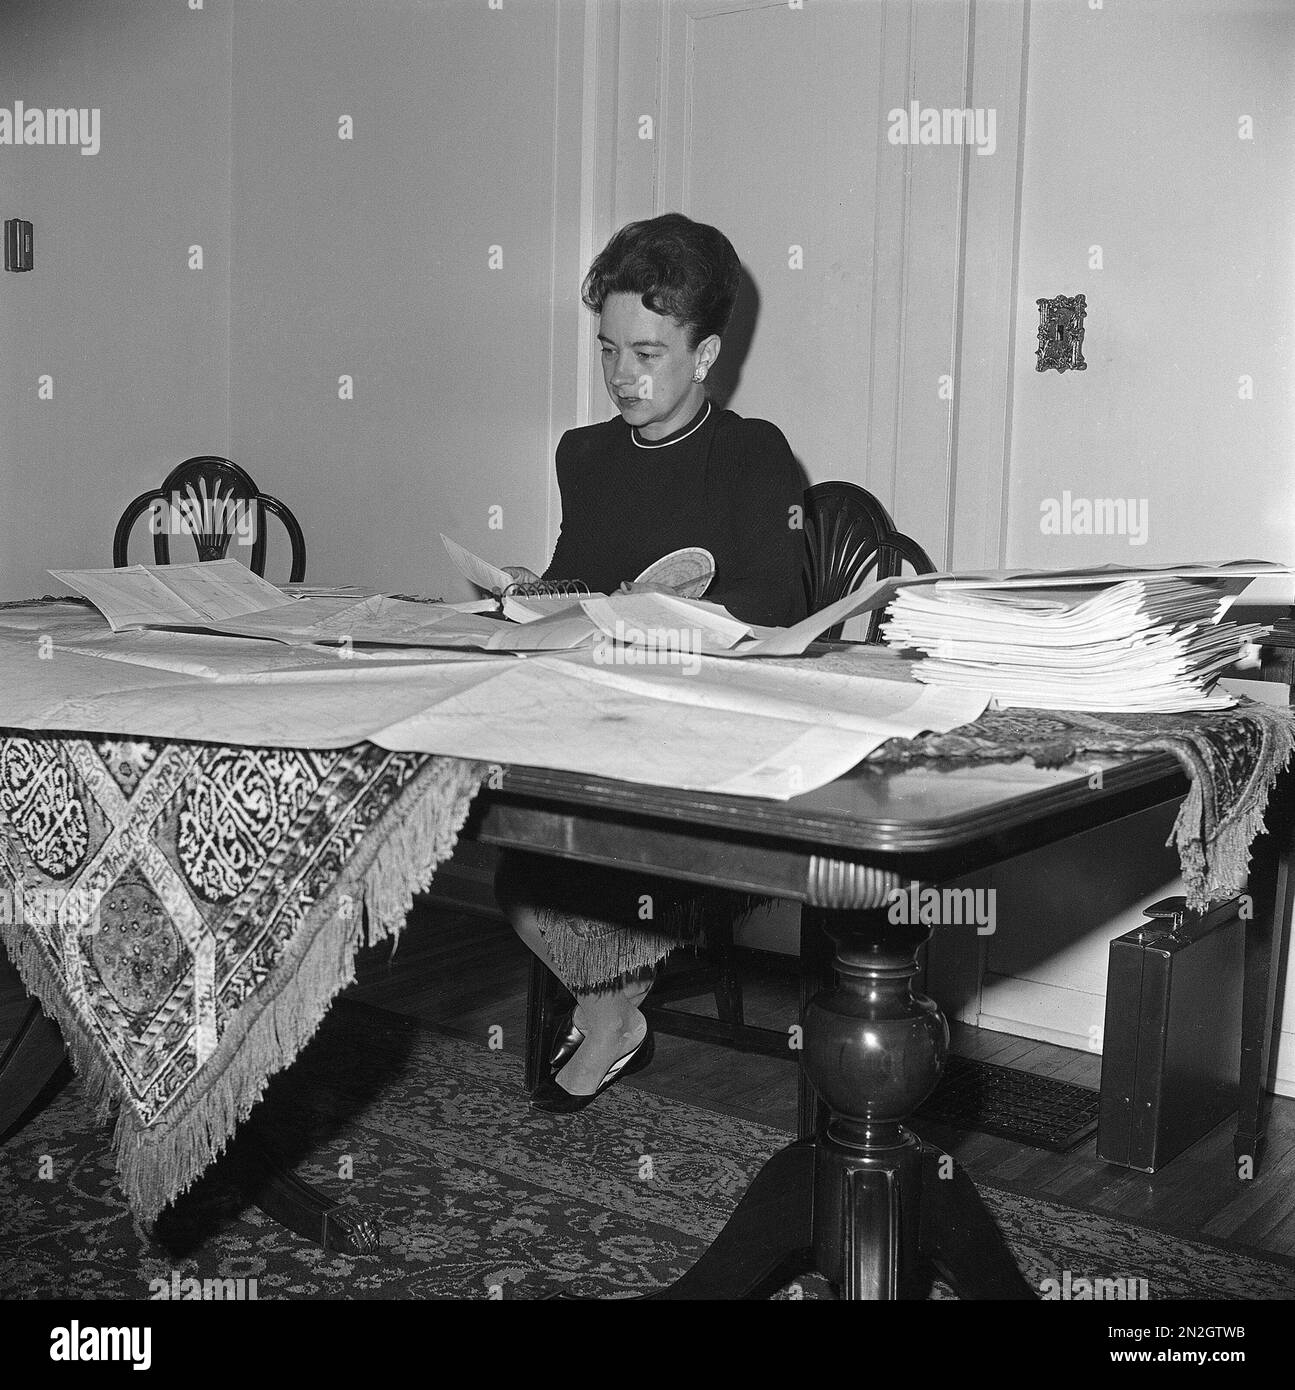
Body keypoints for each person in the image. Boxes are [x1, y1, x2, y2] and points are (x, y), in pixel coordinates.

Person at [496, 212, 805, 1113]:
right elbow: (574, 580)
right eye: (606, 351)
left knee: (600, 856)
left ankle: (610, 1012)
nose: (622, 377)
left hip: (707, 736)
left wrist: (653, 618)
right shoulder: (584, 456)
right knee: (508, 852)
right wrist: (531, 591)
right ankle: (613, 1002)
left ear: (705, 354)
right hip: (594, 724)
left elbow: (773, 608)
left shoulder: (753, 457)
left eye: (647, 353)